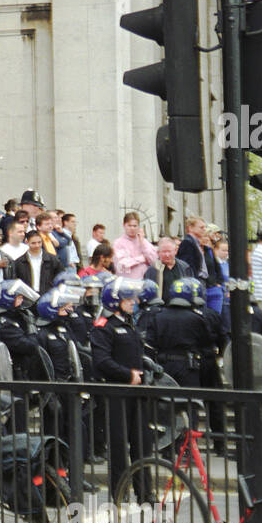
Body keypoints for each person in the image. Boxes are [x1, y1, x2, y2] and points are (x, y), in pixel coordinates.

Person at [91, 277, 151, 499]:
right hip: (116, 394)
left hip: (137, 393)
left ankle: (145, 492)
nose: (134, 301)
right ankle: (119, 493)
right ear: (116, 301)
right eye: (128, 298)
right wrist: (127, 375)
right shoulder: (104, 327)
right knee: (118, 447)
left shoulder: (129, 323)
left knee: (142, 445)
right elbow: (102, 361)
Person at [112, 212, 157, 280]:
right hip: (125, 282)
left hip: (143, 282)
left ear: (138, 226)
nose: (132, 228)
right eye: (129, 225)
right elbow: (122, 265)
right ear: (124, 225)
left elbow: (154, 260)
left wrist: (142, 243)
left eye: (135, 226)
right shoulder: (118, 243)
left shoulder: (144, 242)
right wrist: (143, 258)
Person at [14, 229, 60, 293]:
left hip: (47, 297)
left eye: (39, 242)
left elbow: (60, 277)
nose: (37, 245)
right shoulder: (19, 262)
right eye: (33, 243)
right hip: (27, 298)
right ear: (27, 242)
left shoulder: (53, 260)